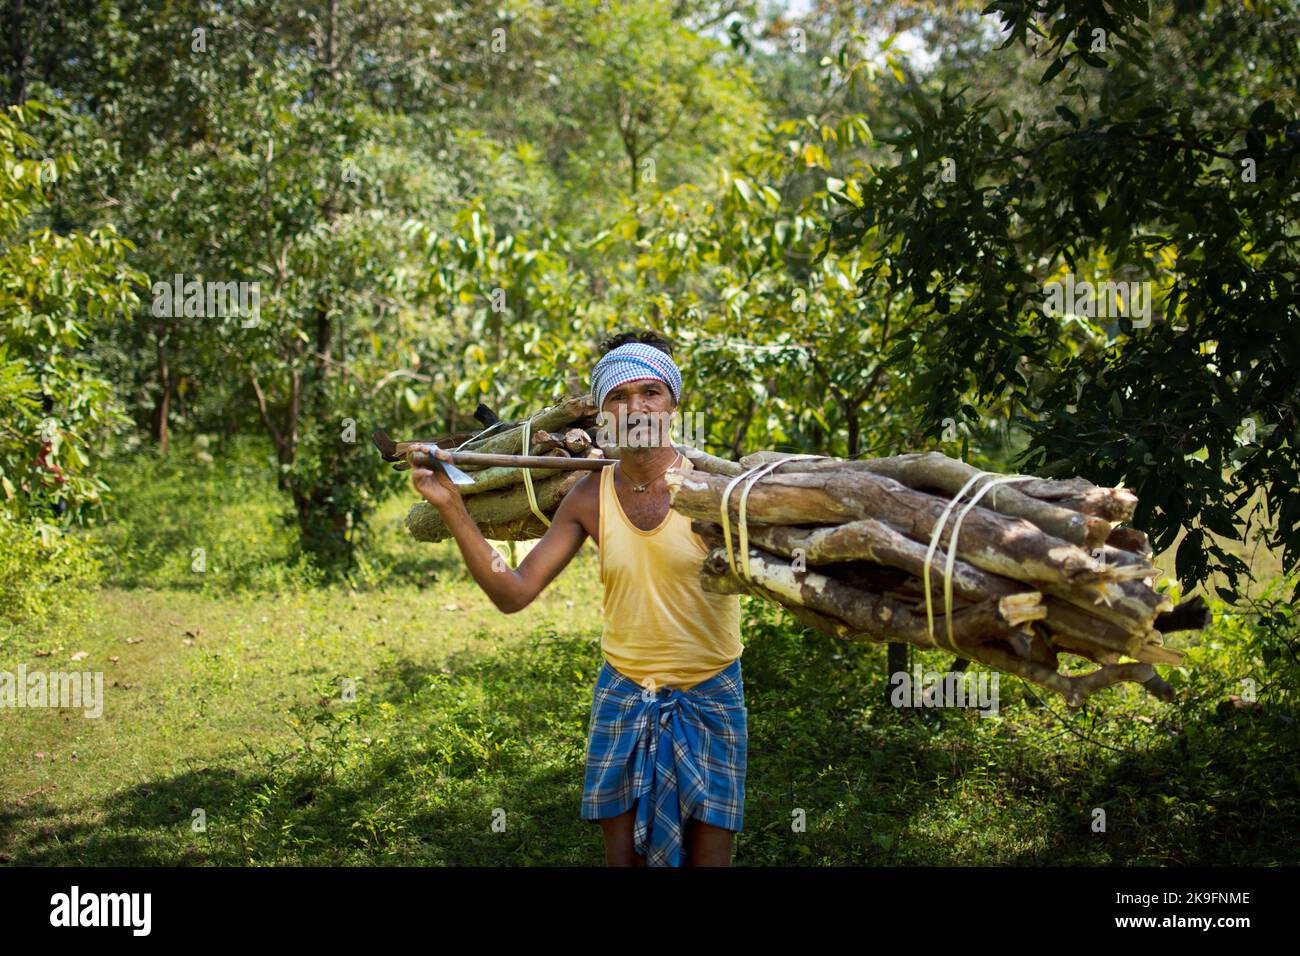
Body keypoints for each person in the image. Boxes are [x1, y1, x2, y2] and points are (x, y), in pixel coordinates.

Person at [411, 330, 746, 867]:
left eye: (651, 392)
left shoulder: (717, 491)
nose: (635, 407)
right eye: (618, 396)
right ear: (604, 415)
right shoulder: (590, 496)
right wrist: (452, 506)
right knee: (623, 861)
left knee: (711, 859)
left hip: (711, 696)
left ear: (674, 403)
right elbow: (513, 591)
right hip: (624, 694)